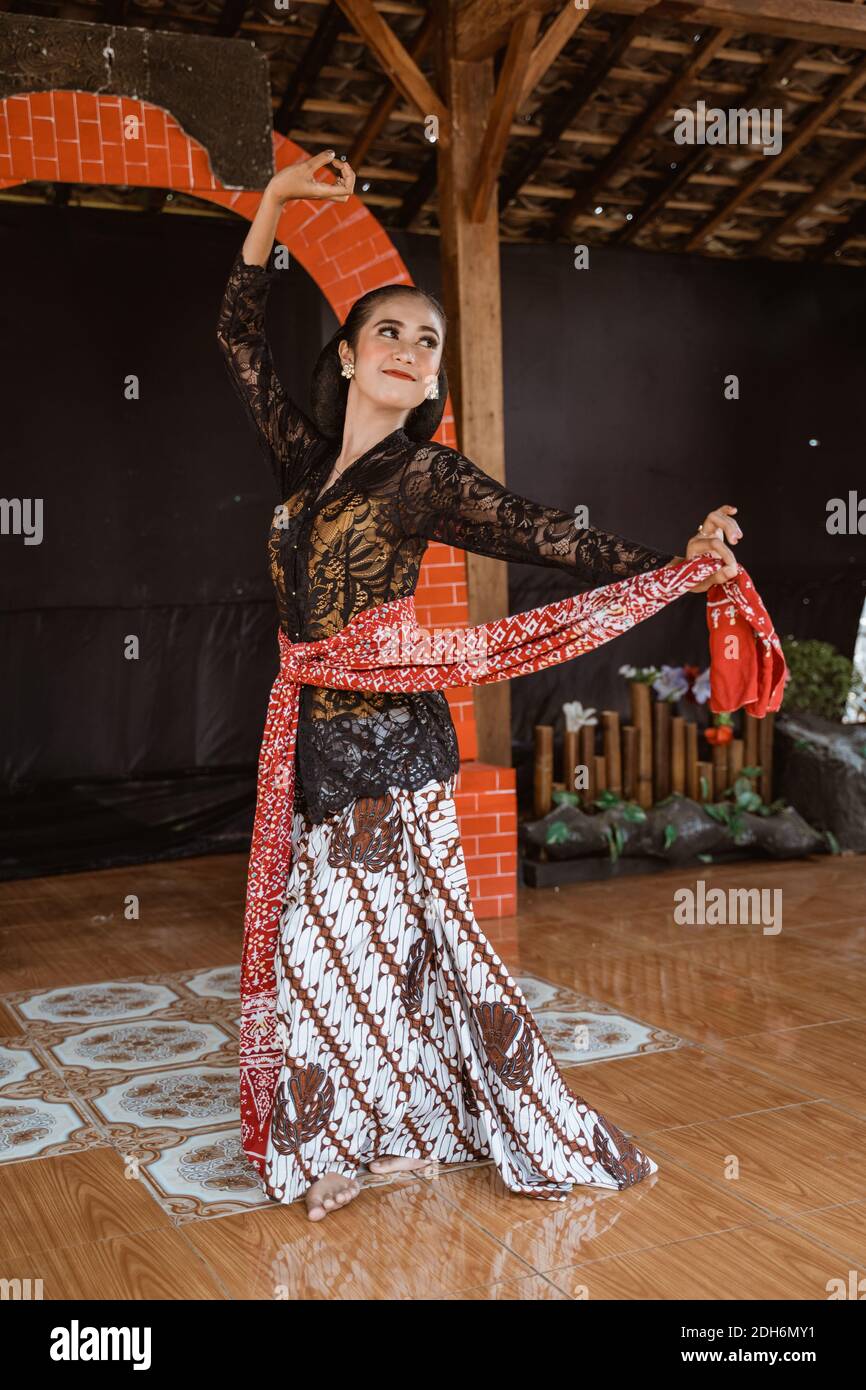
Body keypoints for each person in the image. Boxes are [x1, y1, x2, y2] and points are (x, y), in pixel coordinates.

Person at [217, 149, 741, 1222]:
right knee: (386, 955)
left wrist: (676, 557)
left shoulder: (423, 477)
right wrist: (273, 202)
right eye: (391, 332)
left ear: (434, 375)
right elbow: (235, 334)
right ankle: (403, 1133)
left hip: (392, 753)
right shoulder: (302, 466)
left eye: (428, 341)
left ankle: (333, 1149)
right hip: (319, 742)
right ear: (350, 355)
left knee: (335, 953)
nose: (410, 348)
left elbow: (547, 531)